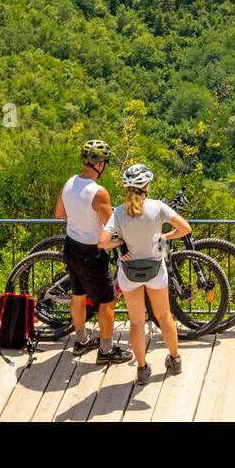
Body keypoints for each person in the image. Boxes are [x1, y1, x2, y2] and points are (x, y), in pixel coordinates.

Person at [98, 162, 189, 385]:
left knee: (137, 322)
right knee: (164, 316)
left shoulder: (118, 212)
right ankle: (175, 359)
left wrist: (120, 242)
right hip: (155, 271)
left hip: (129, 275)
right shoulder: (158, 207)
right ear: (146, 184)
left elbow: (101, 243)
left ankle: (141, 368)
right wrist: (164, 237)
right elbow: (185, 228)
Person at [53, 139, 132, 364]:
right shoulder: (99, 193)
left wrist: (80, 219)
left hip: (71, 245)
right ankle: (106, 351)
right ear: (101, 164)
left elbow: (60, 212)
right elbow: (111, 226)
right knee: (108, 301)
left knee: (78, 296)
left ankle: (82, 341)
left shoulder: (69, 183)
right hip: (91, 252)